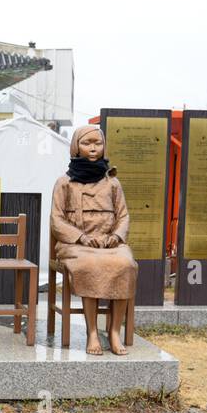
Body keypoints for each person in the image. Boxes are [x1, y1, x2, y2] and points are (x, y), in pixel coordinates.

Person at [50, 124, 138, 355]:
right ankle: (92, 332)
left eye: (97, 143)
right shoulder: (64, 182)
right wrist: (81, 237)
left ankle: (114, 331)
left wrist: (116, 236)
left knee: (125, 265)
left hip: (110, 244)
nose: (92, 148)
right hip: (76, 245)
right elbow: (56, 220)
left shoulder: (113, 183)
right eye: (86, 143)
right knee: (90, 266)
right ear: (76, 147)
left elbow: (124, 215)